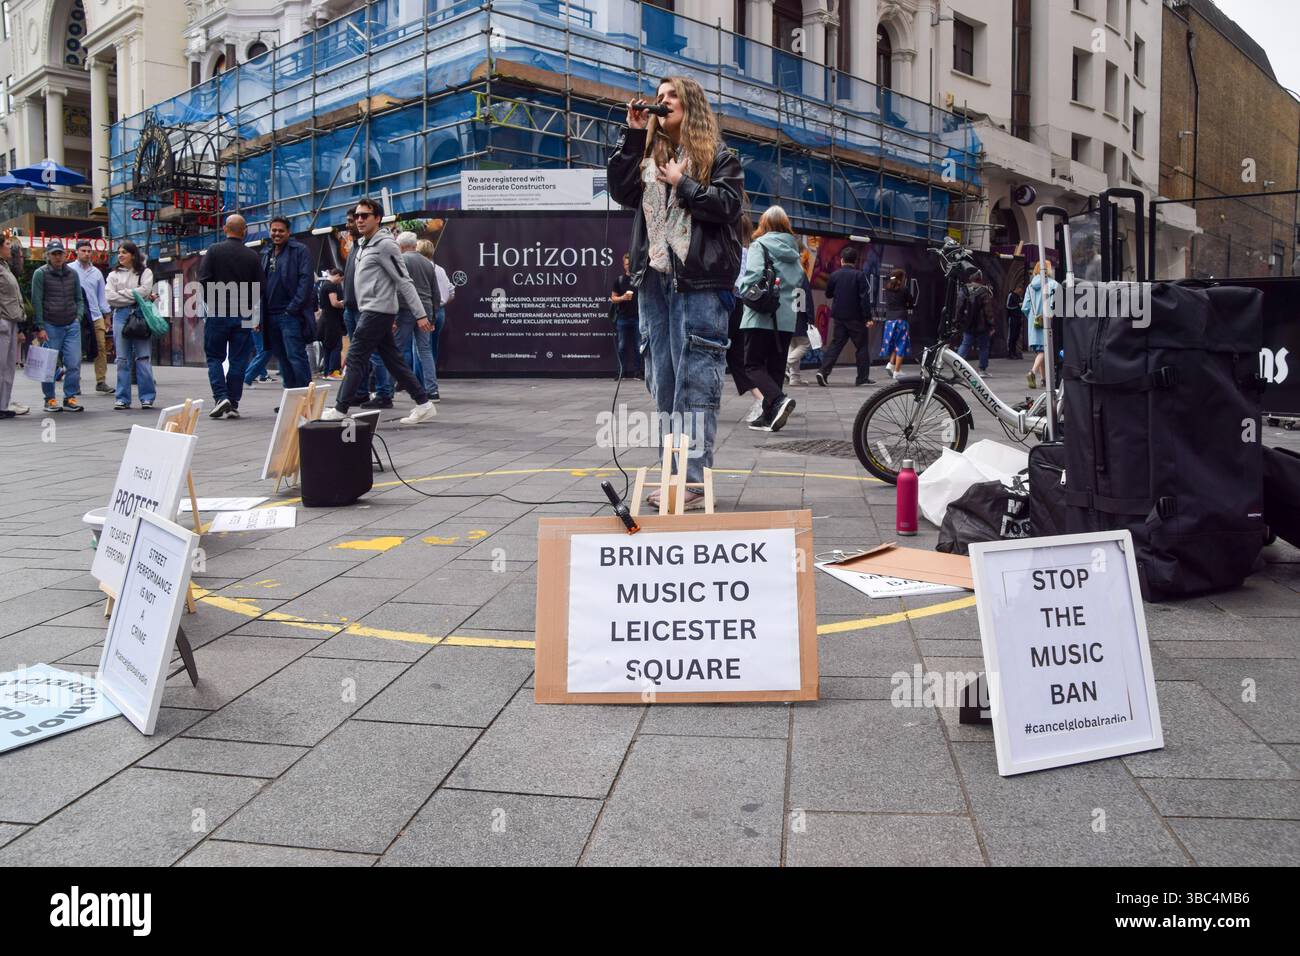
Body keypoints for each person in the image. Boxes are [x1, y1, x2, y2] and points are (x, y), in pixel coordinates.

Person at [608, 74, 744, 511]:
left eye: (671, 96)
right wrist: (632, 134)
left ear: (690, 105)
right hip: (655, 280)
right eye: (658, 97)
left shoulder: (720, 158)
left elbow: (728, 207)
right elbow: (620, 190)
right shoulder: (649, 158)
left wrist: (683, 184)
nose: (662, 102)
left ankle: (694, 482)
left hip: (700, 282)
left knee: (696, 382)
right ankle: (674, 475)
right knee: (664, 383)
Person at [322, 198, 437, 425]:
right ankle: (424, 404)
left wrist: (420, 314)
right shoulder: (366, 244)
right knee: (393, 360)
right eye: (357, 216)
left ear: (377, 218)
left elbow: (403, 280)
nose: (360, 219)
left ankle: (340, 408)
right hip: (373, 310)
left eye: (365, 215)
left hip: (377, 311)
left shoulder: (386, 245)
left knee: (355, 357)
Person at [738, 206, 804, 432]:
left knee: (753, 364)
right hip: (785, 318)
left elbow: (753, 276)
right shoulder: (794, 251)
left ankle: (777, 399)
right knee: (775, 367)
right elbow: (798, 280)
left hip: (760, 315)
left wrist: (743, 288)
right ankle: (768, 416)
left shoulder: (760, 245)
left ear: (764, 225)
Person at [199, 214, 263, 419]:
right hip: (243, 312)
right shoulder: (252, 256)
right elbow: (260, 286)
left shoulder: (214, 250)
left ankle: (221, 397)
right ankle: (233, 402)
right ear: (244, 231)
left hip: (218, 311)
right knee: (239, 359)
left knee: (215, 357)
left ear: (225, 229)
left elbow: (204, 279)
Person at [32, 239, 89, 413]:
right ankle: (49, 399)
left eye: (60, 253)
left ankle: (69, 397)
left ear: (65, 255)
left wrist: (78, 317)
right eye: (54, 254)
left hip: (71, 324)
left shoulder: (73, 274)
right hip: (50, 325)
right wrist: (40, 326)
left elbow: (79, 298)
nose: (57, 257)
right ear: (48, 256)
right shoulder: (40, 274)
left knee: (74, 363)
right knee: (48, 365)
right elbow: (36, 302)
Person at [259, 216, 314, 390]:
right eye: (273, 230)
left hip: (290, 315)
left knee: (296, 357)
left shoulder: (300, 251)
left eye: (281, 230)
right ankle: (290, 400)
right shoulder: (266, 253)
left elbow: (306, 282)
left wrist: (292, 309)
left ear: (288, 232)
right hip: (271, 315)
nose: (277, 233)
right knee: (282, 359)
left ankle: (306, 401)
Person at [105, 241, 157, 410]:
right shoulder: (113, 275)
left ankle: (147, 398)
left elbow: (146, 290)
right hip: (120, 316)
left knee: (143, 358)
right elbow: (109, 297)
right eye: (119, 252)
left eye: (124, 252)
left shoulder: (145, 272)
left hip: (140, 314)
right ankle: (122, 398)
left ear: (133, 255)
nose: (120, 255)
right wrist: (134, 294)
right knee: (122, 359)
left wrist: (123, 294)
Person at [815, 245, 874, 386]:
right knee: (862, 347)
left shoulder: (834, 275)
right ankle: (862, 378)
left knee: (836, 344)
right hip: (856, 318)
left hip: (839, 317)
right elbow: (864, 298)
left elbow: (828, 293)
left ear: (842, 260)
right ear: (855, 261)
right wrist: (868, 318)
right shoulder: (859, 275)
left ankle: (823, 371)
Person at [727, 218, 765, 423]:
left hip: (729, 303)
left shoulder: (731, 251)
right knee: (739, 355)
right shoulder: (751, 253)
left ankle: (760, 398)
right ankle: (760, 396)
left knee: (718, 351)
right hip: (746, 307)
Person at [396, 232, 439, 397]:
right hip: (426, 308)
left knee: (397, 348)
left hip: (406, 309)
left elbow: (399, 288)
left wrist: (393, 315)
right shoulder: (428, 263)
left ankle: (397, 385)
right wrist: (432, 317)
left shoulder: (402, 260)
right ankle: (432, 390)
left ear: (400, 246)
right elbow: (435, 292)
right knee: (425, 350)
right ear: (414, 245)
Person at [70, 240, 111, 394]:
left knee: (100, 347)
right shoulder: (69, 270)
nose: (87, 253)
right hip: (76, 316)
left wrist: (107, 316)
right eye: (83, 250)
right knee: (75, 350)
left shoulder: (97, 273)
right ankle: (74, 383)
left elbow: (102, 297)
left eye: (89, 251)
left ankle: (101, 381)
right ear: (77, 252)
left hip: (95, 315)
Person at [1022, 259, 1061, 389]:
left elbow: (1025, 307)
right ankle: (1032, 371)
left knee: (1041, 350)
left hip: (1034, 321)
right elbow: (1056, 305)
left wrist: (1033, 317)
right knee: (1045, 348)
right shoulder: (1054, 285)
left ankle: (1044, 379)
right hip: (1047, 319)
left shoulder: (1030, 286)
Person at [423, 239, 451, 402]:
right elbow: (451, 291)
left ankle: (424, 386)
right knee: (431, 348)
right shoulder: (439, 269)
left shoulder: (422, 267)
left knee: (421, 349)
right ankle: (431, 385)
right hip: (440, 311)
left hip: (426, 311)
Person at [0, 235, 23, 420]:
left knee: (8, 366)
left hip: (11, 320)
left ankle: (3, 404)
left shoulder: (5, 267)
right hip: (2, 320)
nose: (10, 248)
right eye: (7, 245)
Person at [956, 272, 997, 373]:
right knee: (983, 347)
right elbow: (988, 310)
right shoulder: (984, 291)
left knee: (965, 345)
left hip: (968, 323)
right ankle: (982, 369)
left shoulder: (964, 290)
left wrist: (959, 320)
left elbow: (959, 306)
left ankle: (957, 366)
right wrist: (991, 325)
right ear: (980, 279)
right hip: (982, 325)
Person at [785, 248, 815, 386]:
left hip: (786, 314)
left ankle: (794, 378)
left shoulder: (785, 272)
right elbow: (807, 297)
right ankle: (785, 363)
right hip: (799, 314)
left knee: (793, 344)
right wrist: (811, 318)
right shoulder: (800, 274)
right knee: (804, 343)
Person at [610, 252, 642, 378]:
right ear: (624, 265)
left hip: (638, 317)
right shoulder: (619, 280)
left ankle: (638, 372)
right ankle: (621, 372)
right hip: (622, 318)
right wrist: (623, 297)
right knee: (622, 346)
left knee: (639, 346)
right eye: (627, 264)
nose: (629, 266)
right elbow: (613, 298)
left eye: (631, 264)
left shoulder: (639, 279)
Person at [879, 267, 914, 378]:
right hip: (900, 319)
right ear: (901, 277)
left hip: (889, 320)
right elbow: (911, 301)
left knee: (894, 343)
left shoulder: (888, 288)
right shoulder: (904, 289)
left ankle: (891, 364)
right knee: (901, 344)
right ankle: (897, 371)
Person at [315, 267, 345, 379]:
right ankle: (333, 371)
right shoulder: (331, 286)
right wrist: (344, 303)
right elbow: (334, 303)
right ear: (337, 275)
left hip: (325, 320)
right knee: (336, 346)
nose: (340, 282)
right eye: (341, 279)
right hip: (332, 321)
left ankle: (327, 372)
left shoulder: (324, 285)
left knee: (327, 346)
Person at [1005, 281, 1025, 360]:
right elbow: (1008, 306)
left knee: (1016, 336)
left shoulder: (1018, 297)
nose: (1021, 292)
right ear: (1018, 288)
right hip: (1012, 318)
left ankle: (1014, 352)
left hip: (1018, 318)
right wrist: (1018, 306)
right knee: (1012, 336)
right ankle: (1010, 353)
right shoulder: (1011, 295)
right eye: (1021, 290)